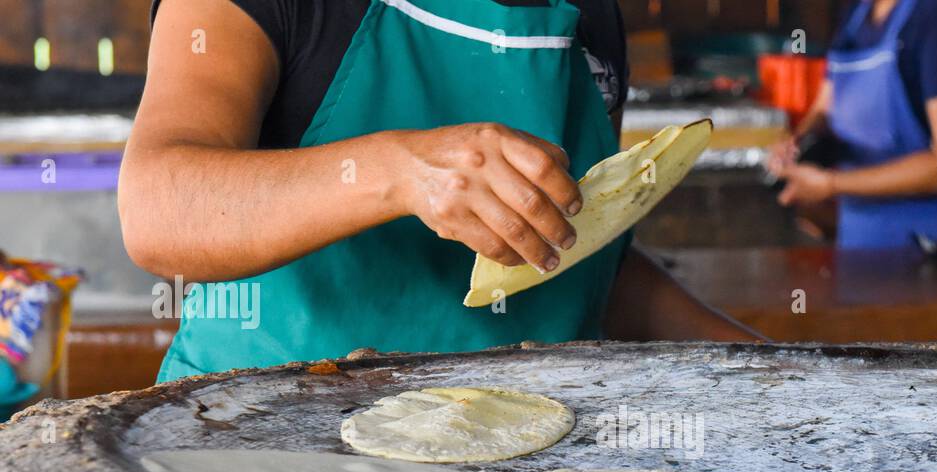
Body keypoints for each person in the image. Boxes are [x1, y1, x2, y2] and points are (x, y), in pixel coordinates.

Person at [120, 0, 758, 383]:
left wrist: (775, 372)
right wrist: (403, 172)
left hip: (515, 470)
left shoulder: (590, 14)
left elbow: (575, 258)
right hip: (257, 449)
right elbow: (158, 208)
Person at [769, 0, 937, 251]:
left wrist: (830, 184)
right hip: (863, 240)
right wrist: (799, 141)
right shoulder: (858, 14)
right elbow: (826, 108)